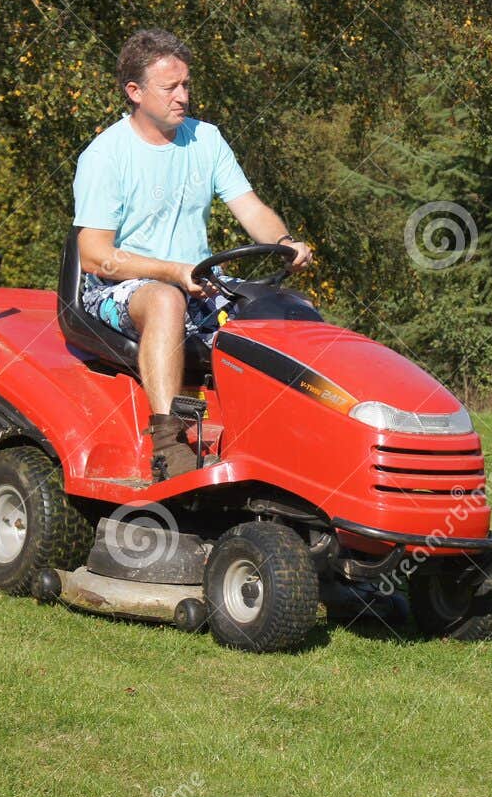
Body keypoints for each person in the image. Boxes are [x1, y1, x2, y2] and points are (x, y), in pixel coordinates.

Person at [72, 28, 313, 478]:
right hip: (119, 286)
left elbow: (251, 209)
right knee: (166, 300)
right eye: (170, 87)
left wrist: (283, 242)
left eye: (186, 85)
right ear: (135, 92)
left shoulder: (207, 139)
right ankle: (168, 446)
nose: (183, 96)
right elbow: (94, 255)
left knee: (289, 310)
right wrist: (173, 272)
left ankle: (289, 439)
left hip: (196, 281)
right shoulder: (106, 156)